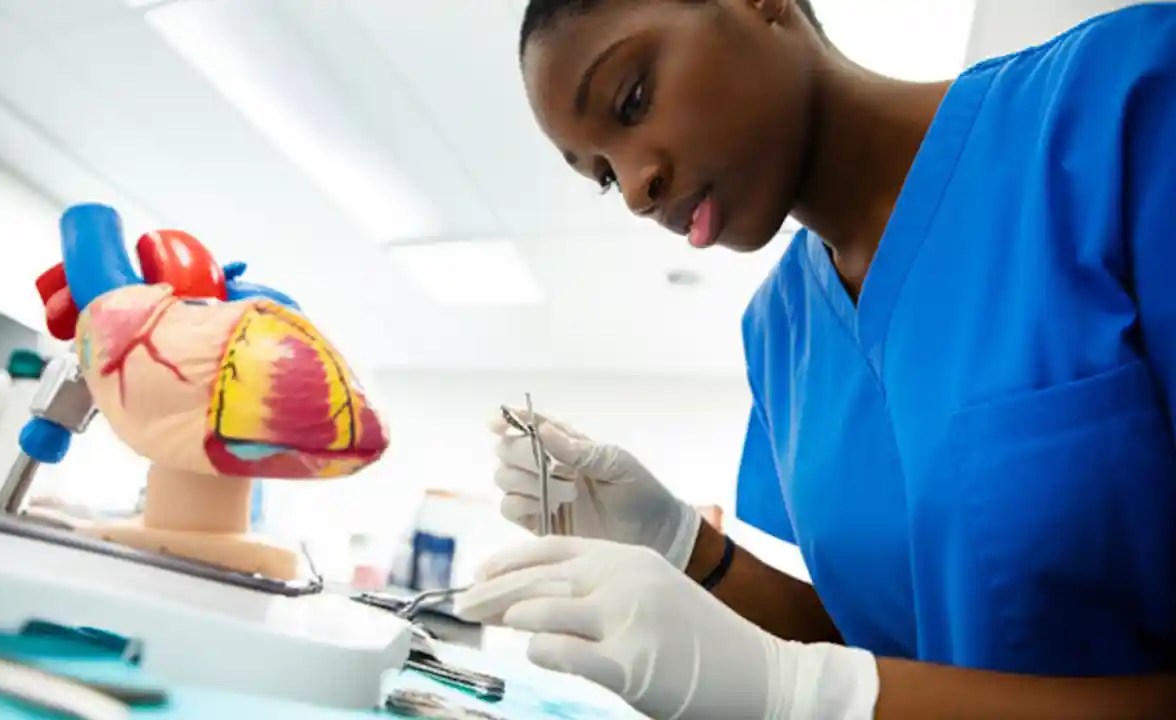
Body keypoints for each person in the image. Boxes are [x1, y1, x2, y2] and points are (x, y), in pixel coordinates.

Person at [452, 1, 1176, 717]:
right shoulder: (779, 335)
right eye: (605, 175)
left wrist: (812, 697)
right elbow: (887, 659)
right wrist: (677, 544)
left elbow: (848, 691)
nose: (637, 192)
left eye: (633, 99)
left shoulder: (1124, 107)